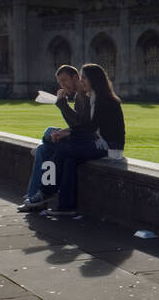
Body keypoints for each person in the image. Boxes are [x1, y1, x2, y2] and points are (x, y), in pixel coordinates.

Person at [38, 63, 124, 218]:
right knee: (69, 159)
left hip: (109, 147)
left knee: (61, 148)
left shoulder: (104, 100)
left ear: (94, 79)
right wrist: (67, 132)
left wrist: (67, 131)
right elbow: (85, 128)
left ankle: (45, 191)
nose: (81, 81)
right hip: (98, 143)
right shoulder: (94, 98)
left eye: (84, 77)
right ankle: (66, 207)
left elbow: (89, 129)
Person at [17, 65, 90, 212]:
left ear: (75, 78)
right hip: (79, 137)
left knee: (46, 139)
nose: (63, 85)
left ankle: (35, 197)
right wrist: (64, 131)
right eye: (60, 83)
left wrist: (62, 105)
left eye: (65, 81)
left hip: (87, 143)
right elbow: (77, 125)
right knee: (44, 146)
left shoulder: (86, 97)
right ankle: (34, 197)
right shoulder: (78, 97)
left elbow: (82, 127)